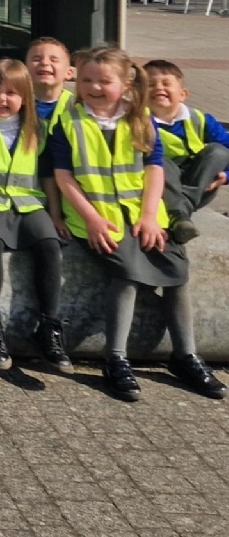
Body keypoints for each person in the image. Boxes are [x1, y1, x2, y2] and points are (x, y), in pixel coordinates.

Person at [49, 45, 224, 401]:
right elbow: (63, 176)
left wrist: (149, 215)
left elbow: (154, 168)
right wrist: (92, 219)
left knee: (177, 273)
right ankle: (115, 359)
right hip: (98, 219)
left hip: (143, 214)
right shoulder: (69, 122)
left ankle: (186, 355)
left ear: (126, 84)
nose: (94, 88)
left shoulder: (140, 118)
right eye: (87, 81)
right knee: (127, 274)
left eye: (104, 81)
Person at [0, 59, 71, 373]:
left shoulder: (38, 130)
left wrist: (55, 214)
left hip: (28, 203)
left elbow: (47, 175)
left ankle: (49, 326)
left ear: (25, 98)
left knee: (49, 244)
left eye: (11, 93)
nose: (2, 99)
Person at [144, 59, 229, 245]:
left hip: (197, 187)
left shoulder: (199, 119)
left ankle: (180, 213)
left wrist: (226, 176)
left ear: (183, 94)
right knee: (159, 163)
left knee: (218, 151)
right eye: (150, 84)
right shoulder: (136, 122)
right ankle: (180, 216)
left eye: (166, 83)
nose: (158, 88)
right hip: (160, 191)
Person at [26, 36, 74, 131]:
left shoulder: (78, 107)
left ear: (69, 73)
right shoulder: (13, 106)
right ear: (24, 70)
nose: (44, 63)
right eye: (36, 59)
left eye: (54, 60)